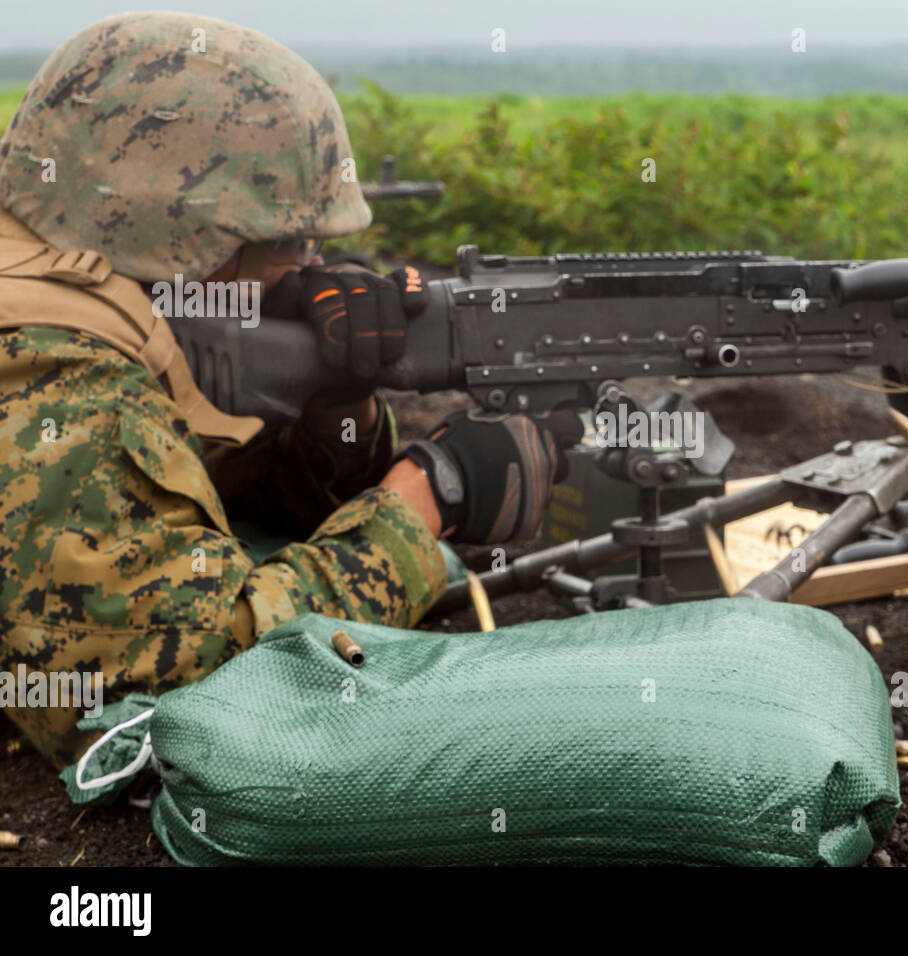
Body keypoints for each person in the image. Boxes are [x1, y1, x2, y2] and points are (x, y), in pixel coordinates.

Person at [0, 11, 564, 767]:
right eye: (288, 244)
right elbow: (175, 693)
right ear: (184, 238)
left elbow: (183, 488)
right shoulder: (53, 368)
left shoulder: (53, 272)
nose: (307, 269)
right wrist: (427, 500)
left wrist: (339, 403)